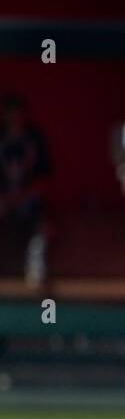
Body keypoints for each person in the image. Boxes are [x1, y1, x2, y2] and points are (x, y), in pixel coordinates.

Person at [0, 95, 52, 286]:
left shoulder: (34, 139)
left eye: (18, 114)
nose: (14, 119)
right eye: (10, 114)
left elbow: (44, 177)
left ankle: (36, 269)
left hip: (28, 197)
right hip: (3, 197)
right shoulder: (2, 138)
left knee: (42, 223)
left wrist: (23, 196)